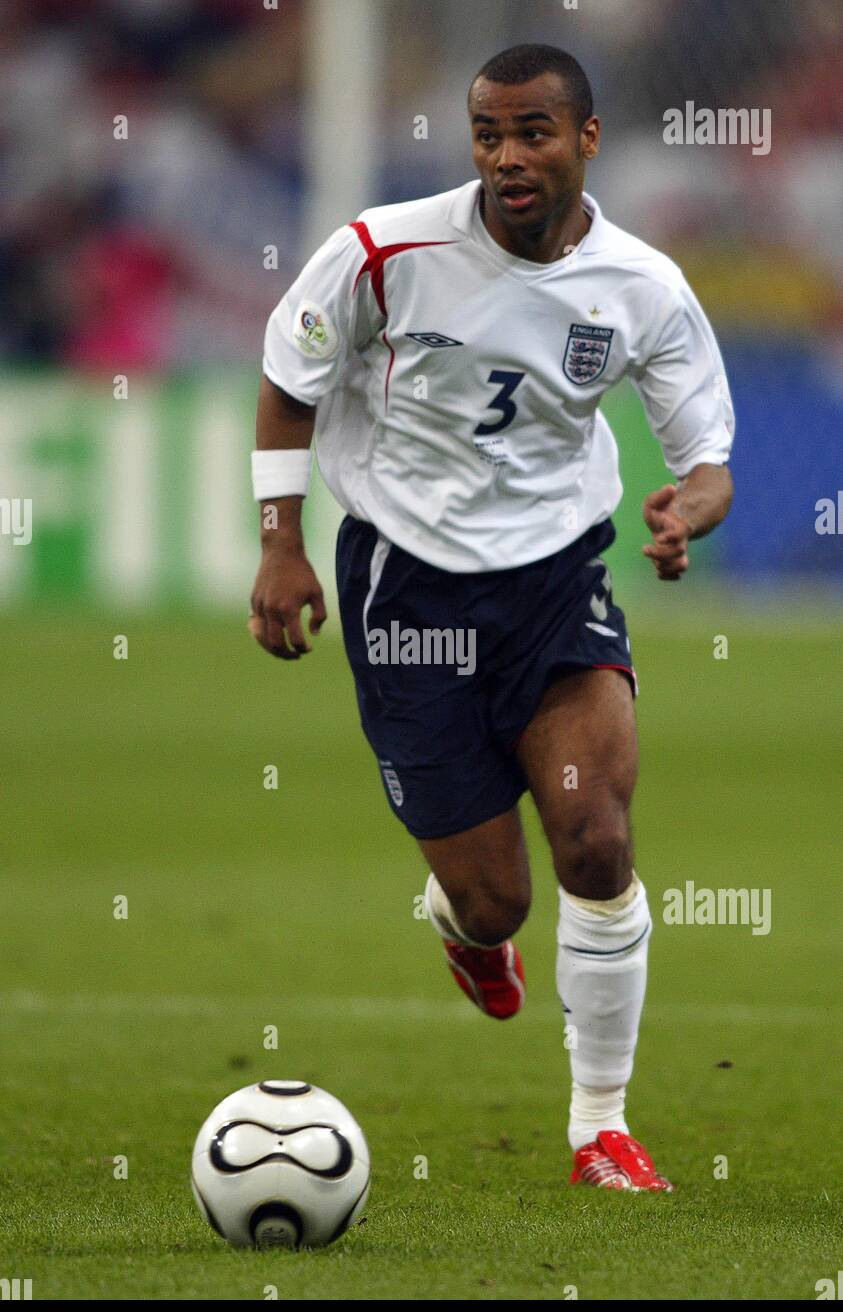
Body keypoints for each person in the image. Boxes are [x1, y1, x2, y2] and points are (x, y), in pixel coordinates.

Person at [249, 44, 734, 1192]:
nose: (507, 158)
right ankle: (469, 929)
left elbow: (706, 454)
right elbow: (289, 377)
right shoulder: (382, 251)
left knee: (598, 841)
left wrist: (688, 511)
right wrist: (279, 544)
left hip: (556, 585)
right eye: (487, 135)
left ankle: (600, 1127)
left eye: (532, 134)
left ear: (587, 138)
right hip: (404, 588)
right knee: (495, 896)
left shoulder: (643, 285)